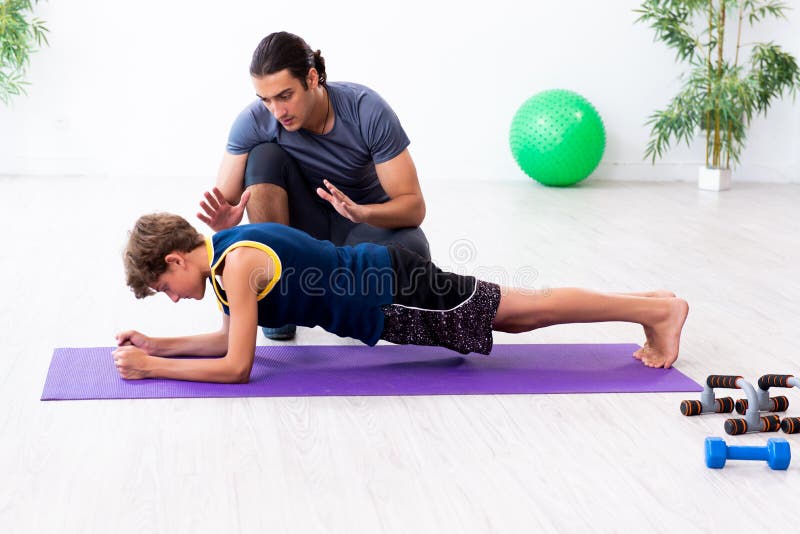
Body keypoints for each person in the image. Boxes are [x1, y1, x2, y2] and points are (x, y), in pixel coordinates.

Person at [113, 211, 690, 383]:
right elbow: (225, 339)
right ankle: (648, 302)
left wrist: (153, 368)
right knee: (515, 319)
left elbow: (239, 365)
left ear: (175, 260)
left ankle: (657, 309)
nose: (171, 299)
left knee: (523, 311)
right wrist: (155, 343)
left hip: (391, 291)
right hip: (386, 287)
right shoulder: (224, 256)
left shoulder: (234, 265)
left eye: (165, 289)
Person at [203, 31, 430, 340]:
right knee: (262, 158)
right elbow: (228, 204)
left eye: (285, 96)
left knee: (414, 251)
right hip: (301, 234)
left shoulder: (366, 110)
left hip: (361, 229)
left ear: (312, 78)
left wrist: (361, 212)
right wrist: (226, 226)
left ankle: (347, 300)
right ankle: (279, 297)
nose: (277, 112)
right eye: (266, 100)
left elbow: (414, 208)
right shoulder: (255, 121)